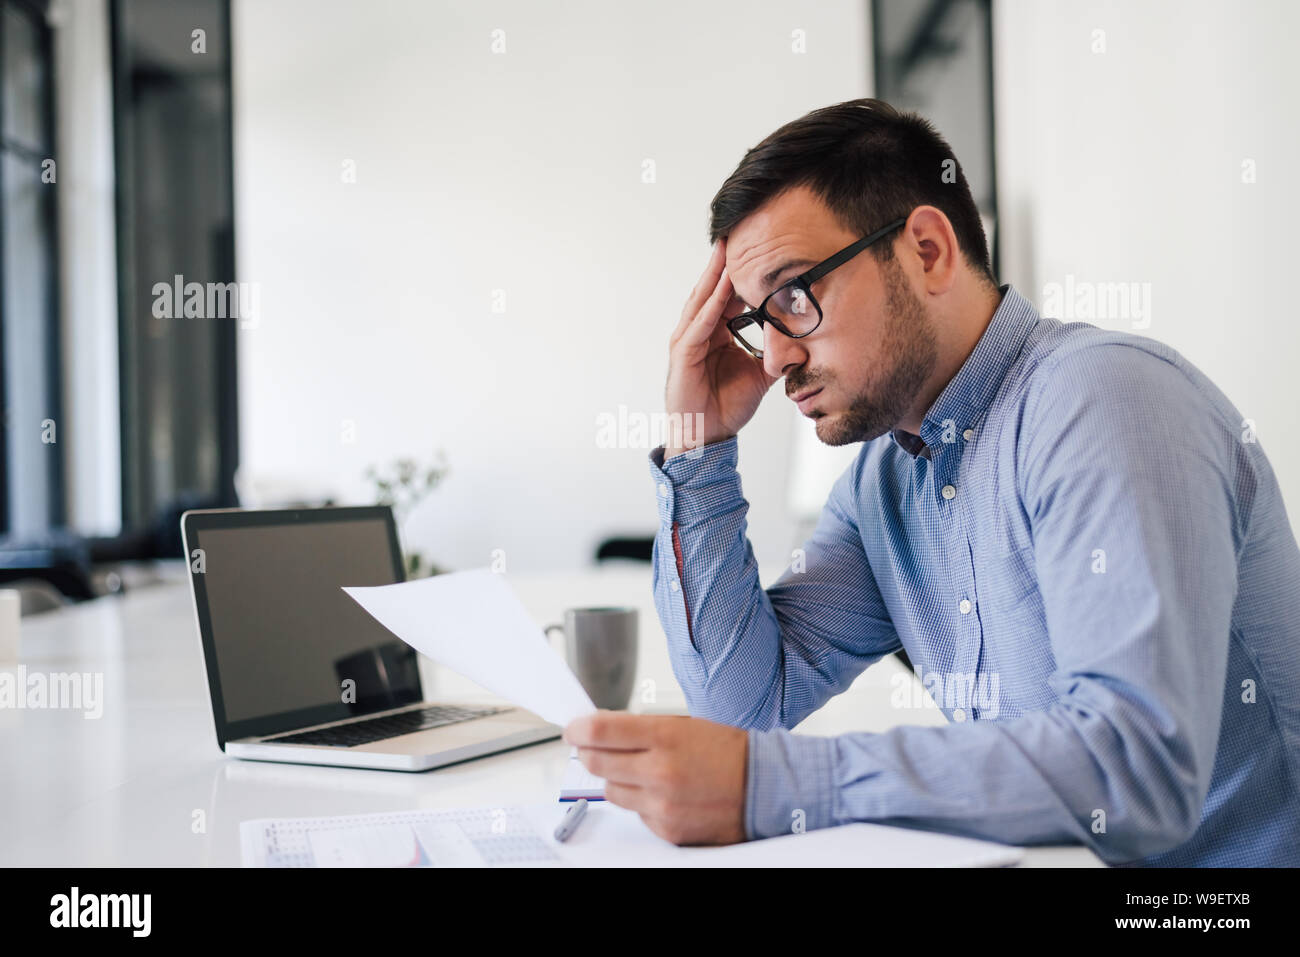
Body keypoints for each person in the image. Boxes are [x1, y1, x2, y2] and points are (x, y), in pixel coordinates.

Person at [564, 98, 1300, 866]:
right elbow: (742, 703)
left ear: (925, 249)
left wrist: (778, 783)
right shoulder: (884, 484)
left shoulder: (1104, 399)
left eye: (792, 296)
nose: (775, 358)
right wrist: (698, 443)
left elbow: (1136, 770)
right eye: (757, 320)